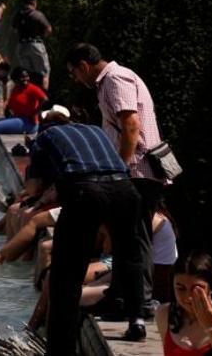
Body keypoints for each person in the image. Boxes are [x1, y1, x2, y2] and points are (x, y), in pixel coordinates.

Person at [23, 99, 146, 349]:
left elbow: (34, 187)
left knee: (66, 273)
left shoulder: (45, 137)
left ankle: (60, 348)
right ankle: (137, 320)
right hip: (125, 188)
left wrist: (35, 194)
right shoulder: (94, 130)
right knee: (129, 255)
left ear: (45, 124)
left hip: (85, 192)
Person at [67, 42, 165, 318]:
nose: (75, 78)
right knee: (125, 237)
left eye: (74, 72)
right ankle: (119, 298)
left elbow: (131, 125)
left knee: (135, 237)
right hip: (135, 173)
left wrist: (119, 169)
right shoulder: (111, 80)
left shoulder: (115, 79)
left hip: (137, 173)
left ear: (84, 66)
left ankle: (141, 302)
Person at [155, 252, 212, 356]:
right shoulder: (165, 314)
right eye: (180, 288)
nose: (188, 297)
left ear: (211, 288)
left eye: (196, 289)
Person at [0, 67, 48, 156]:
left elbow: (45, 100)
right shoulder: (16, 88)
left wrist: (36, 112)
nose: (25, 79)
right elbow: (10, 104)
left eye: (26, 76)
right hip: (19, 119)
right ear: (15, 79)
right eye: (22, 77)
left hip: (29, 122)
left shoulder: (33, 89)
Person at [14, 0, 53, 89]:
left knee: (27, 76)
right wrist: (41, 35)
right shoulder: (37, 15)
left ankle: (30, 99)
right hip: (35, 45)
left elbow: (14, 29)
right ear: (34, 2)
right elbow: (48, 29)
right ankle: (44, 97)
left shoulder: (18, 15)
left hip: (21, 46)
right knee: (44, 73)